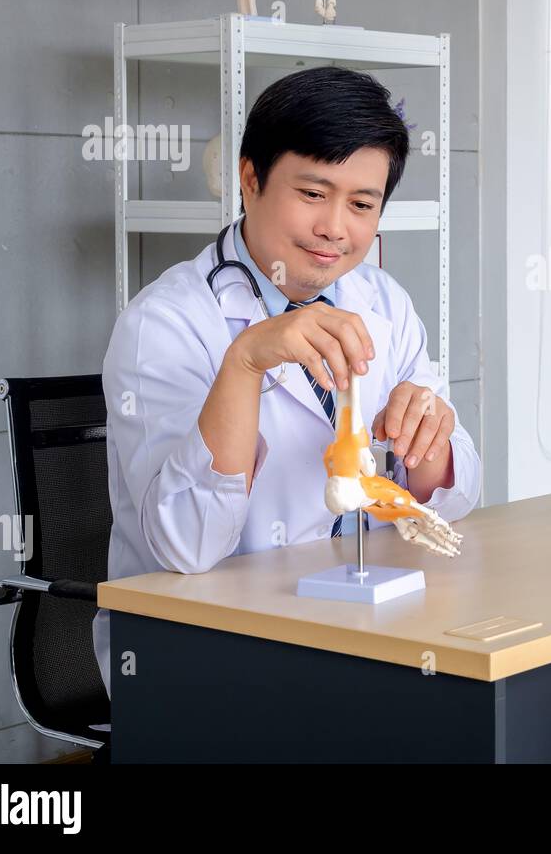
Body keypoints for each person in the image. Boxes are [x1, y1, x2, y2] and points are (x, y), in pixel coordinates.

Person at [92, 67, 481, 696]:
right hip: (208, 652)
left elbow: (456, 499)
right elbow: (185, 548)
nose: (336, 227)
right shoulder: (165, 324)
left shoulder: (383, 301)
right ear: (250, 180)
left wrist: (428, 439)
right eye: (312, 193)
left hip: (365, 627)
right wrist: (245, 363)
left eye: (362, 204)